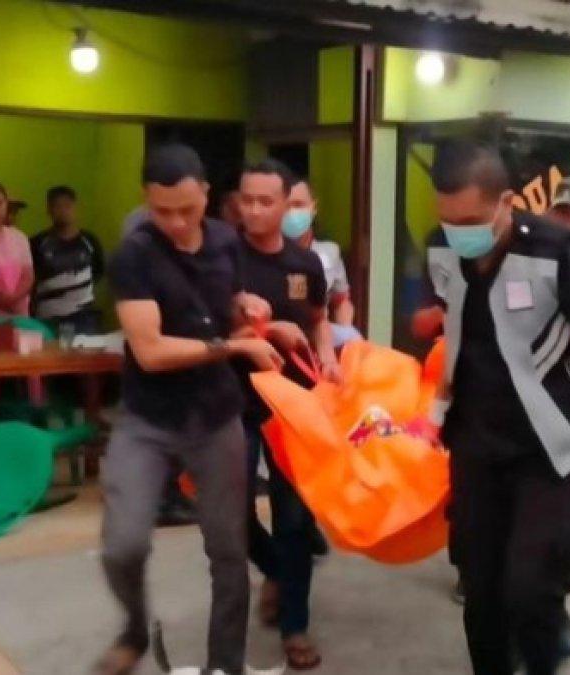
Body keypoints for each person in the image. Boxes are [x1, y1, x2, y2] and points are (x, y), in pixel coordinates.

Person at [427, 140, 570, 675]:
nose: (458, 232)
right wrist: (437, 404)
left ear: (507, 203)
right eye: (447, 221)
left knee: (530, 588)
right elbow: (459, 330)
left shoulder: (562, 255)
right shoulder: (442, 249)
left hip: (552, 451)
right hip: (475, 444)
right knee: (481, 591)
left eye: (471, 219)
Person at [92, 144, 282, 675]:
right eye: (161, 211)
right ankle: (133, 629)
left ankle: (226, 664)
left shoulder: (226, 241)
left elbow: (224, 310)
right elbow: (150, 353)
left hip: (215, 415)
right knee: (123, 544)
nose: (175, 222)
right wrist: (235, 347)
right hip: (147, 420)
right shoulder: (134, 255)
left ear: (206, 194)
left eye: (186, 209)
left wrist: (246, 311)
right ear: (146, 202)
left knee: (227, 549)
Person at [236, 159, 339, 671]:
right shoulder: (221, 256)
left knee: (295, 517)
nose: (254, 210)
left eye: (266, 201)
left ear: (287, 204)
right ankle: (274, 568)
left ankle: (295, 625)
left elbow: (319, 321)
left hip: (294, 404)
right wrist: (269, 326)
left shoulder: (306, 266)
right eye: (246, 200)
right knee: (230, 512)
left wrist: (331, 355)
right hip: (233, 399)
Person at [281, 178, 356, 339]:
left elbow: (341, 300)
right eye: (286, 206)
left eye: (298, 205)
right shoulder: (265, 251)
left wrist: (346, 332)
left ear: (313, 207)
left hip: (321, 335)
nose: (292, 212)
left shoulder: (330, 252)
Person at [29, 185, 105, 334]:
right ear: (49, 210)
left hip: (83, 318)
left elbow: (98, 271)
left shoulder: (89, 240)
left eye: (67, 205)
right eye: (57, 206)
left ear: (75, 208)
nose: (63, 211)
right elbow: (30, 279)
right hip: (47, 319)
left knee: (84, 356)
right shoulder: (37, 243)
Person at [0, 181, 33, 319]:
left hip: (19, 315)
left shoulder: (19, 237)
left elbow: (28, 276)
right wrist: (7, 302)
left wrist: (15, 299)